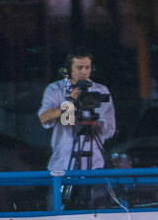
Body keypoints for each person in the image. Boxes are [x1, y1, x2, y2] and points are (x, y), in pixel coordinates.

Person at [37, 48, 116, 206]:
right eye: (79, 68)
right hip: (63, 165)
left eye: (87, 67)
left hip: (94, 165)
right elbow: (44, 118)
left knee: (97, 214)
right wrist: (68, 103)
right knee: (59, 215)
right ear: (69, 70)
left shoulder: (101, 91)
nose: (84, 72)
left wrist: (95, 124)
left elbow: (110, 128)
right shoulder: (55, 89)